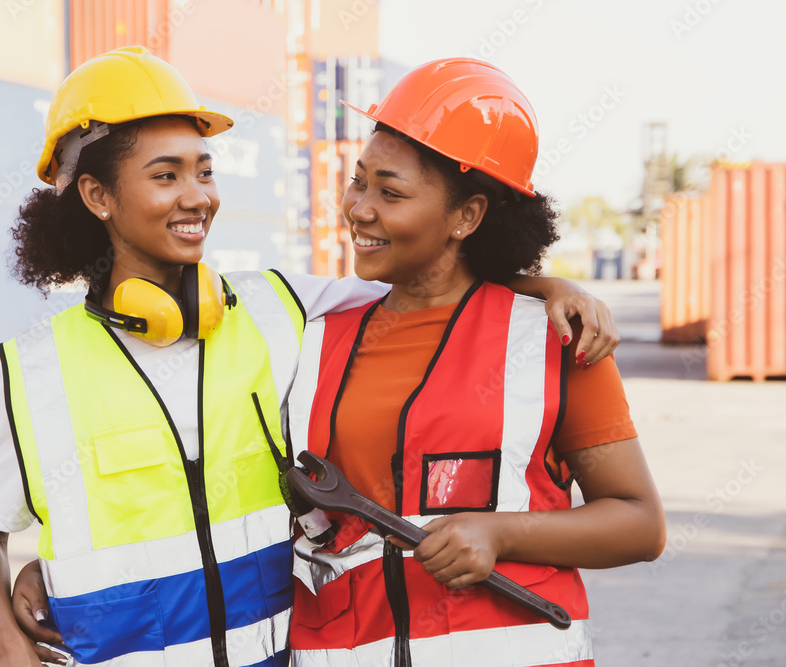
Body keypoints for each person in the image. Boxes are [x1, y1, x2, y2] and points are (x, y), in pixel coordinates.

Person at [0, 48, 622, 667]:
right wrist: (9, 637)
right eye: (166, 176)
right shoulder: (37, 369)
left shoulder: (279, 308)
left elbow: (432, 280)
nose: (198, 196)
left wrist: (543, 286)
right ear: (99, 196)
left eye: (204, 170)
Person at [283, 59, 667, 667]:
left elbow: (639, 525)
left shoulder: (552, 339)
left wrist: (501, 532)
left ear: (467, 216)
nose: (359, 208)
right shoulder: (311, 334)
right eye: (358, 182)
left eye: (391, 191)